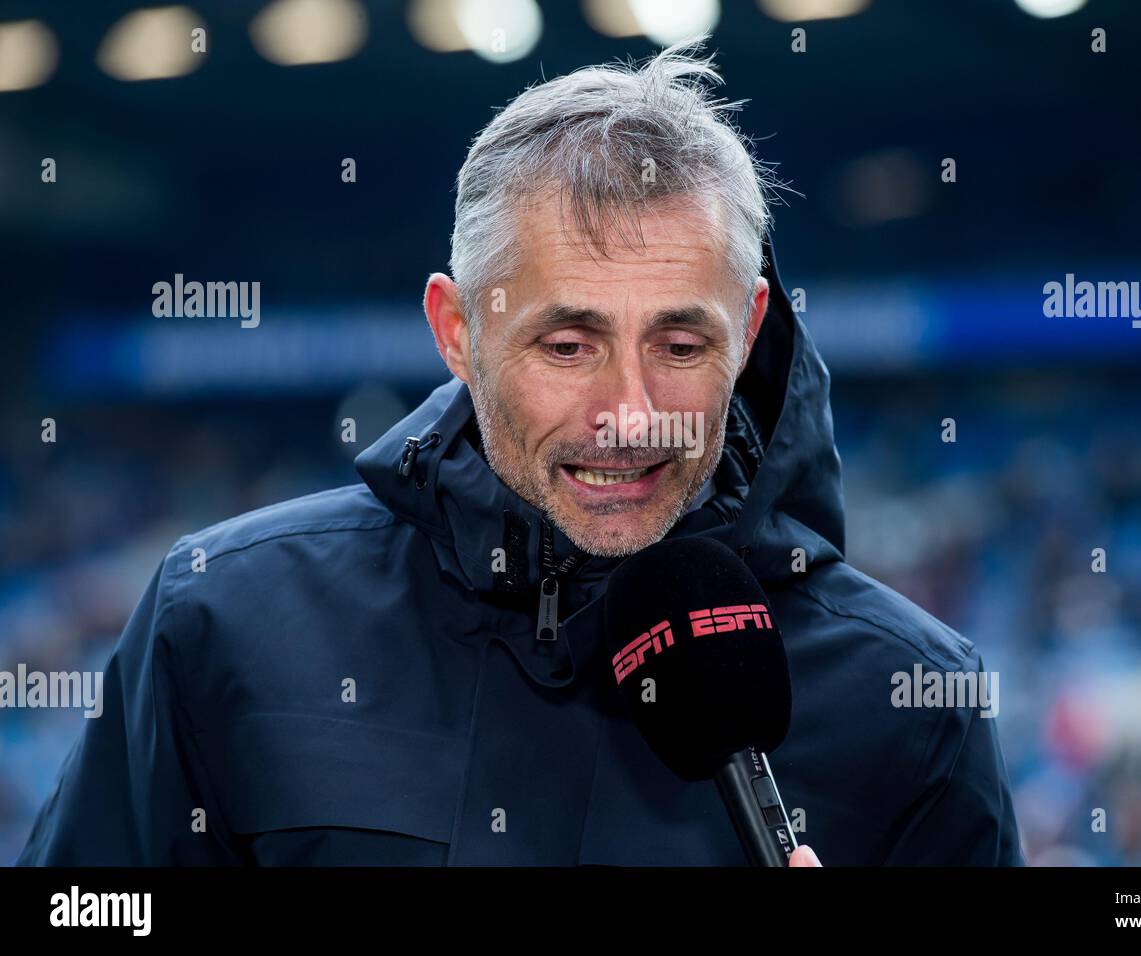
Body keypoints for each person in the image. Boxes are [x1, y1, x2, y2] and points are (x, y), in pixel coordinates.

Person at [18, 40, 1022, 866]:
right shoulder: (219, 616)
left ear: (751, 330)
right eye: (567, 344)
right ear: (457, 331)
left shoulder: (913, 701)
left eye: (680, 345)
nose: (629, 414)